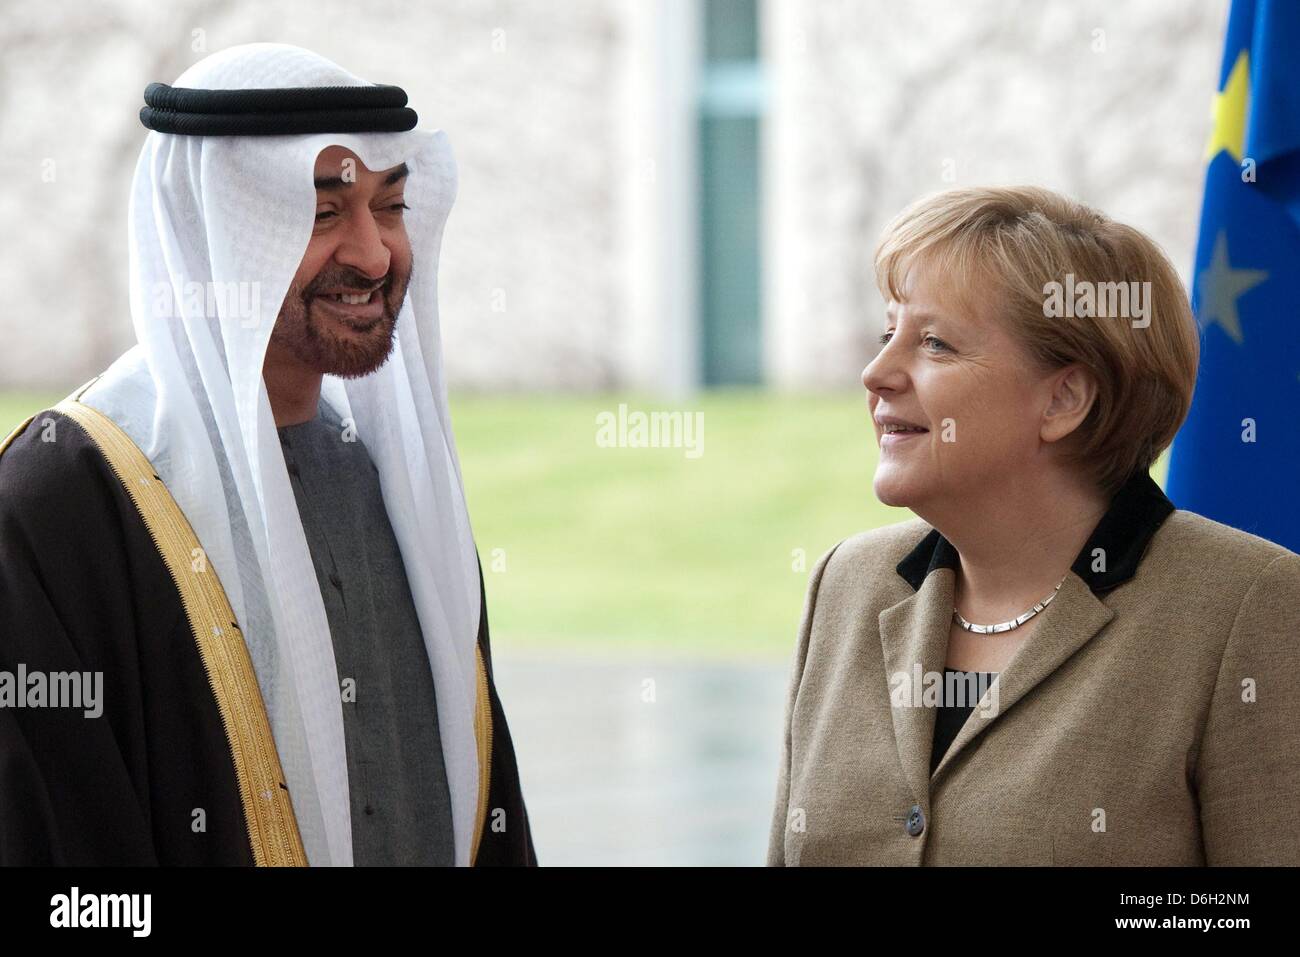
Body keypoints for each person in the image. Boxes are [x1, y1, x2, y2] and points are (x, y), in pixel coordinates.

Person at [0, 43, 534, 867]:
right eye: (324, 215)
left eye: (389, 208)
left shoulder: (393, 483)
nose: (375, 253)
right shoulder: (65, 497)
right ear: (217, 237)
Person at [767, 185, 1300, 866]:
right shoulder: (846, 584)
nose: (876, 373)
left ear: (1064, 399)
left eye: (933, 342)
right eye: (886, 333)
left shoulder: (1250, 608)